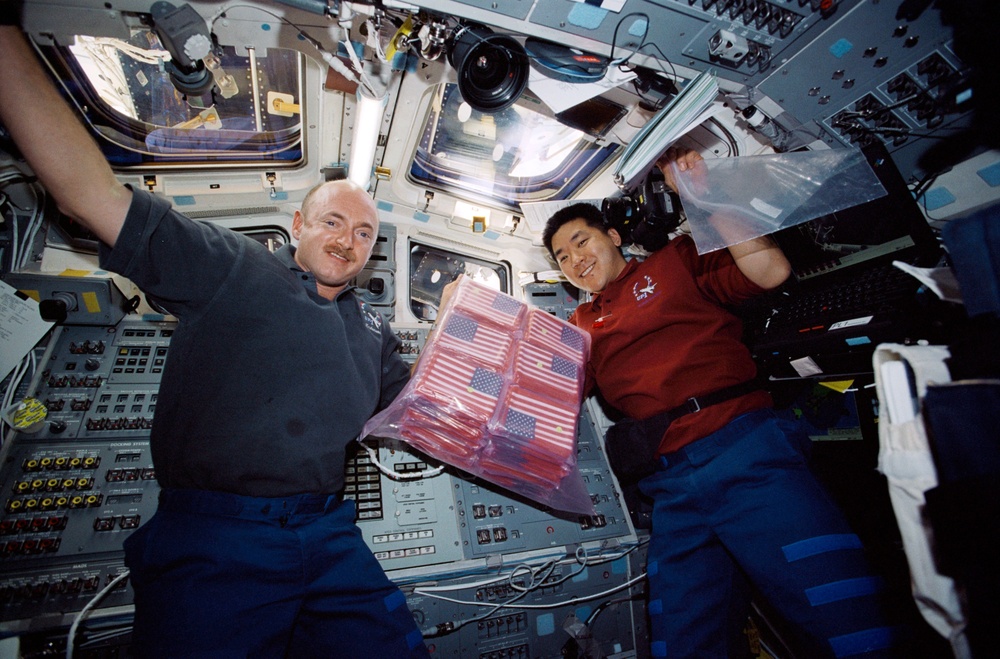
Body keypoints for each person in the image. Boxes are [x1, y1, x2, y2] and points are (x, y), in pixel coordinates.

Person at [0, 26, 429, 658]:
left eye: (364, 233)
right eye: (333, 221)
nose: (347, 240)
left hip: (330, 532)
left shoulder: (372, 327)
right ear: (298, 225)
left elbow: (424, 409)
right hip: (218, 535)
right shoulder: (235, 268)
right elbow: (91, 197)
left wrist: (465, 327)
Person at [543, 148, 905, 658]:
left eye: (581, 241)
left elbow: (769, 271)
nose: (575, 259)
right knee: (681, 640)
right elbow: (547, 394)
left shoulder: (675, 260)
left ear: (614, 237)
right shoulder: (579, 326)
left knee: (844, 616)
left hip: (744, 450)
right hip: (670, 486)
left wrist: (703, 197)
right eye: (562, 257)